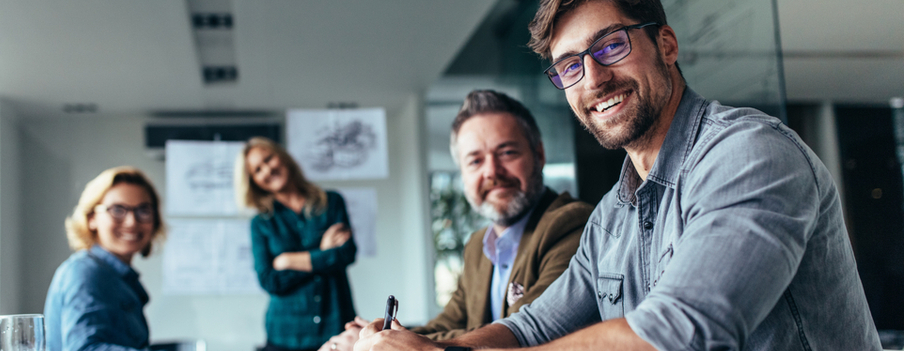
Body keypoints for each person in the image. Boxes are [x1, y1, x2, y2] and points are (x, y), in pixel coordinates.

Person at [354, 0, 882, 350]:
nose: (595, 78)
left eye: (611, 45)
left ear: (667, 46)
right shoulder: (613, 215)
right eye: (569, 67)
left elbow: (683, 332)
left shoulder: (748, 154)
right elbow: (533, 326)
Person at [317, 90, 594, 351]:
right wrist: (384, 335)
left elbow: (525, 331)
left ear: (539, 154)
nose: (492, 172)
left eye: (507, 153)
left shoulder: (570, 224)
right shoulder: (478, 245)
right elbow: (450, 323)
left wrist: (388, 341)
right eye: (475, 161)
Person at [236, 136, 357, 351]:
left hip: (336, 327)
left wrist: (288, 260)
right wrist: (322, 252)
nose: (267, 170)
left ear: (282, 157)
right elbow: (269, 280)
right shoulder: (261, 223)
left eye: (268, 159)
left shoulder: (331, 202)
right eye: (257, 170)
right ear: (253, 181)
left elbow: (346, 254)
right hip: (285, 336)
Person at [44, 166, 166, 351]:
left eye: (143, 210)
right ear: (92, 217)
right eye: (117, 210)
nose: (132, 221)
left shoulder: (118, 279)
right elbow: (85, 349)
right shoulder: (85, 273)